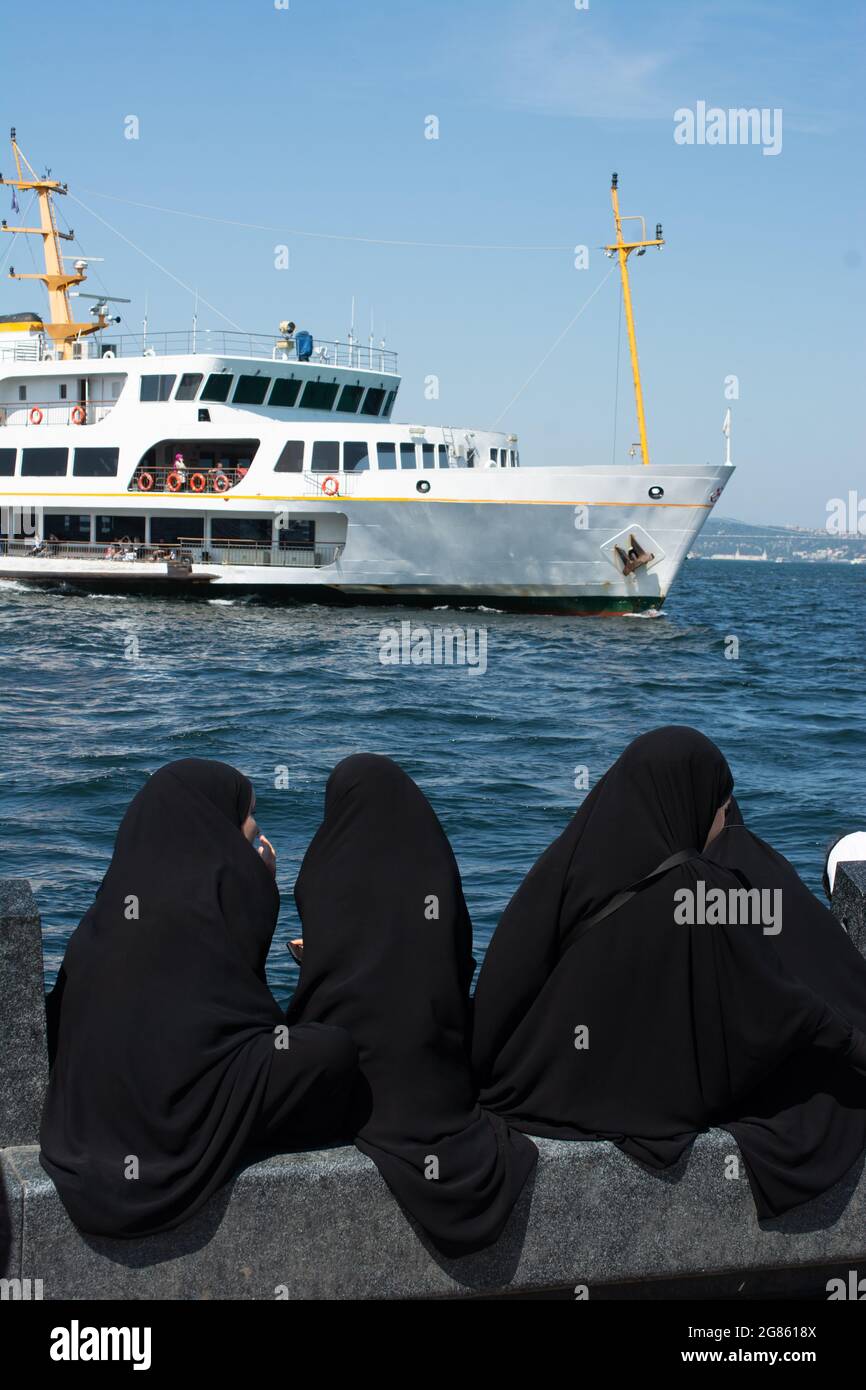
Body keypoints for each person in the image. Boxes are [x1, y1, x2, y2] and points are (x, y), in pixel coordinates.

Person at [471, 726, 866, 1220]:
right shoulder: (701, 889)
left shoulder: (568, 866)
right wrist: (852, 1043)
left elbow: (507, 981)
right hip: (634, 1100)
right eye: (722, 808)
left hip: (526, 1084)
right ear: (693, 802)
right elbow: (776, 1008)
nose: (725, 822)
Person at [40, 759, 359, 1238]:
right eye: (250, 828)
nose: (259, 841)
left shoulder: (113, 904)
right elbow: (243, 1006)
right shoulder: (215, 894)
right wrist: (262, 882)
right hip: (179, 1108)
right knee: (332, 1050)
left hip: (90, 1122)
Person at [287, 754, 537, 1256]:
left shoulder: (325, 864)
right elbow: (453, 962)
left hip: (351, 1089)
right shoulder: (434, 858)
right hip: (435, 1078)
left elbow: (339, 976)